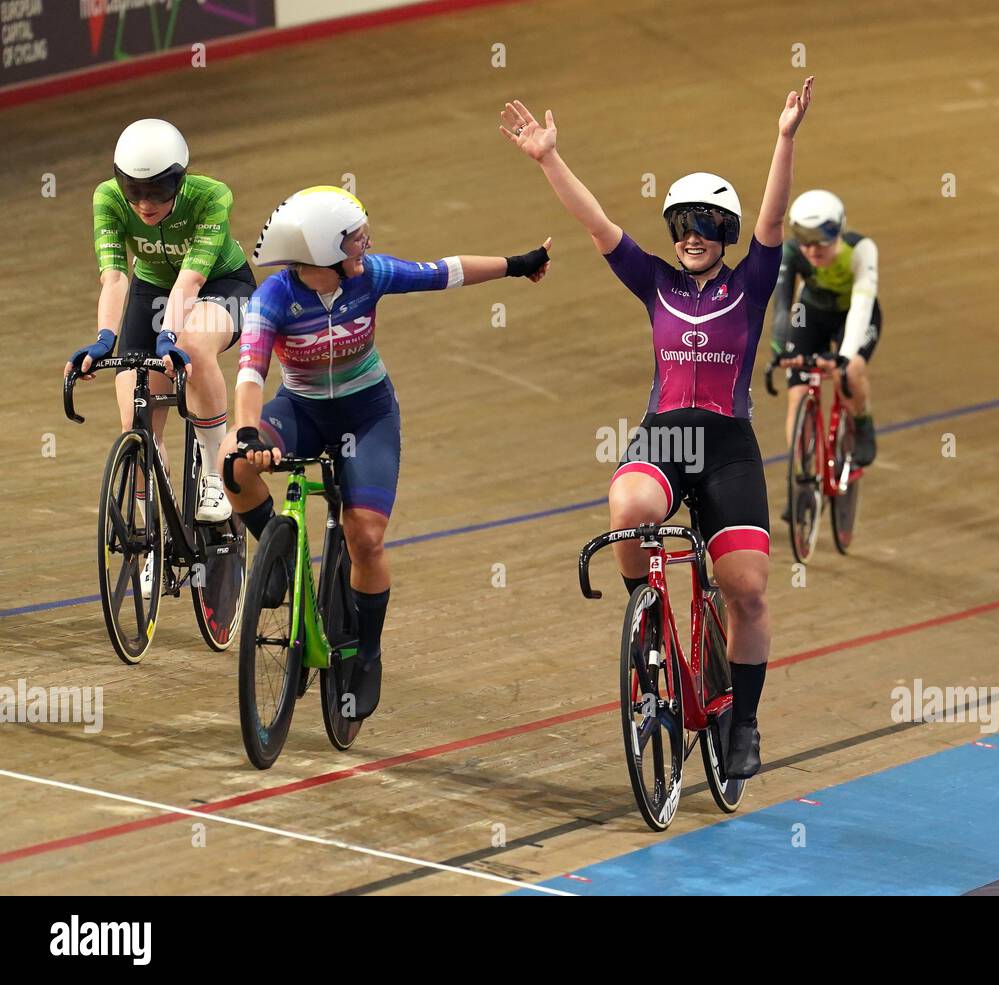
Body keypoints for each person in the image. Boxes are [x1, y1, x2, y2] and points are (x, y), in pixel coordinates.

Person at [500, 77, 815, 777]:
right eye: (680, 226)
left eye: (704, 226)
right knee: (628, 505)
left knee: (749, 591)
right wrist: (549, 159)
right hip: (667, 435)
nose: (690, 238)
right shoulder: (655, 283)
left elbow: (774, 218)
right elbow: (596, 223)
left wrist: (784, 139)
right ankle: (651, 625)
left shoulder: (751, 283)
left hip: (728, 445)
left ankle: (746, 723)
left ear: (724, 235)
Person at [223, 186, 550, 719]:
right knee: (233, 466)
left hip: (366, 414)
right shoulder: (273, 300)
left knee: (366, 538)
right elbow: (249, 374)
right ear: (324, 250)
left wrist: (517, 265)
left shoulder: (371, 275)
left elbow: (446, 271)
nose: (365, 244)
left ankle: (368, 652)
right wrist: (246, 434)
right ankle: (278, 557)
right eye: (355, 238)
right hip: (302, 410)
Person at [65, 118, 254, 592]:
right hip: (152, 289)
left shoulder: (212, 196)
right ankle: (155, 532)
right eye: (136, 192)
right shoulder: (107, 198)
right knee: (135, 411)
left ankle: (214, 472)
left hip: (220, 284)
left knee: (190, 344)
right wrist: (104, 339)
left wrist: (169, 335)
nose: (146, 205)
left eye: (159, 192)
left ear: (181, 180)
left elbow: (190, 282)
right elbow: (114, 277)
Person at [771, 189, 881, 490]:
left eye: (823, 238)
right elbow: (783, 304)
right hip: (812, 315)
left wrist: (844, 357)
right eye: (804, 238)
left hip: (854, 315)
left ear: (840, 231)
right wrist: (779, 349)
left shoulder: (861, 250)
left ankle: (862, 424)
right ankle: (802, 480)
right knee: (797, 393)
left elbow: (862, 305)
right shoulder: (793, 252)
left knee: (851, 370)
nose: (813, 249)